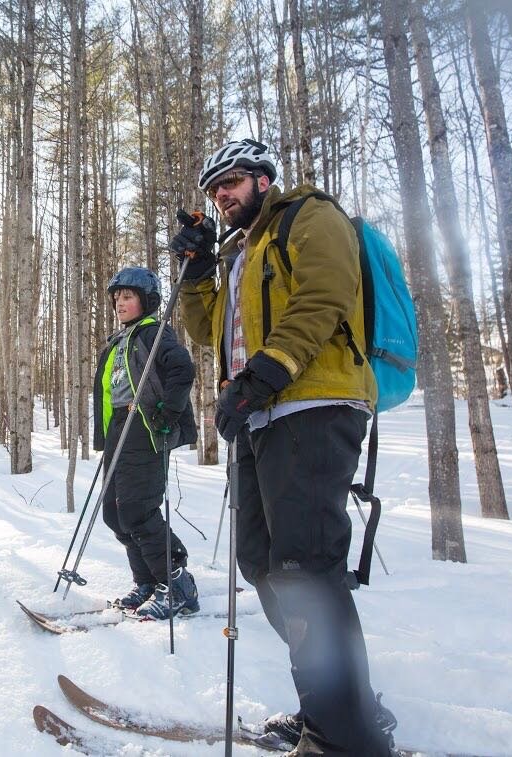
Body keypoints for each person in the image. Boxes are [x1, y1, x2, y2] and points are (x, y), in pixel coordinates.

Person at [174, 138, 396, 755]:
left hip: (314, 402)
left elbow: (324, 294)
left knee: (306, 569)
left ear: (264, 180)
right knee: (264, 565)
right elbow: (206, 330)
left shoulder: (309, 215)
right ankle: (332, 705)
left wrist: (268, 371)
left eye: (234, 181)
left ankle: (346, 736)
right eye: (216, 188)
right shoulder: (241, 253)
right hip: (260, 415)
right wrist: (195, 273)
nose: (223, 195)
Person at [93, 267, 199, 621]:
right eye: (117, 298)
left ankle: (177, 583)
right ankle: (147, 582)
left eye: (127, 297)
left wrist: (167, 412)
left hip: (145, 425)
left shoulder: (154, 333)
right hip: (120, 426)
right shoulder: (119, 339)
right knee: (115, 512)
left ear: (146, 301)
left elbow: (182, 369)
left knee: (138, 509)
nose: (119, 303)